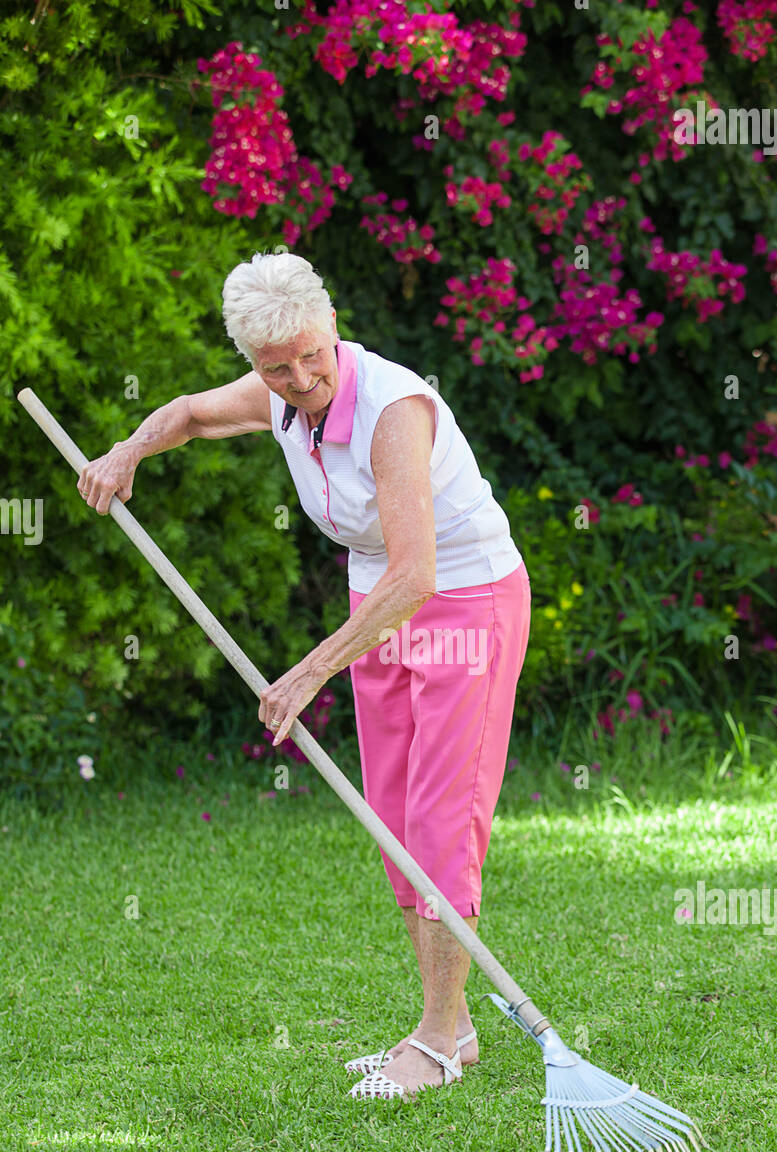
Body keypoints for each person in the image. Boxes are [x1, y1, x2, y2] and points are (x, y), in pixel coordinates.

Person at [76, 252, 531, 1097]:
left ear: (331, 325)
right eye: (275, 366)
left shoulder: (392, 409)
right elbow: (187, 415)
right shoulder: (278, 394)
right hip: (377, 612)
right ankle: (455, 1027)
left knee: (438, 819)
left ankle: (434, 1042)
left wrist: (309, 672)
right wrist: (126, 452)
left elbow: (417, 576)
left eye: (311, 353)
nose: (300, 377)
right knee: (390, 814)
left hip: (463, 607)